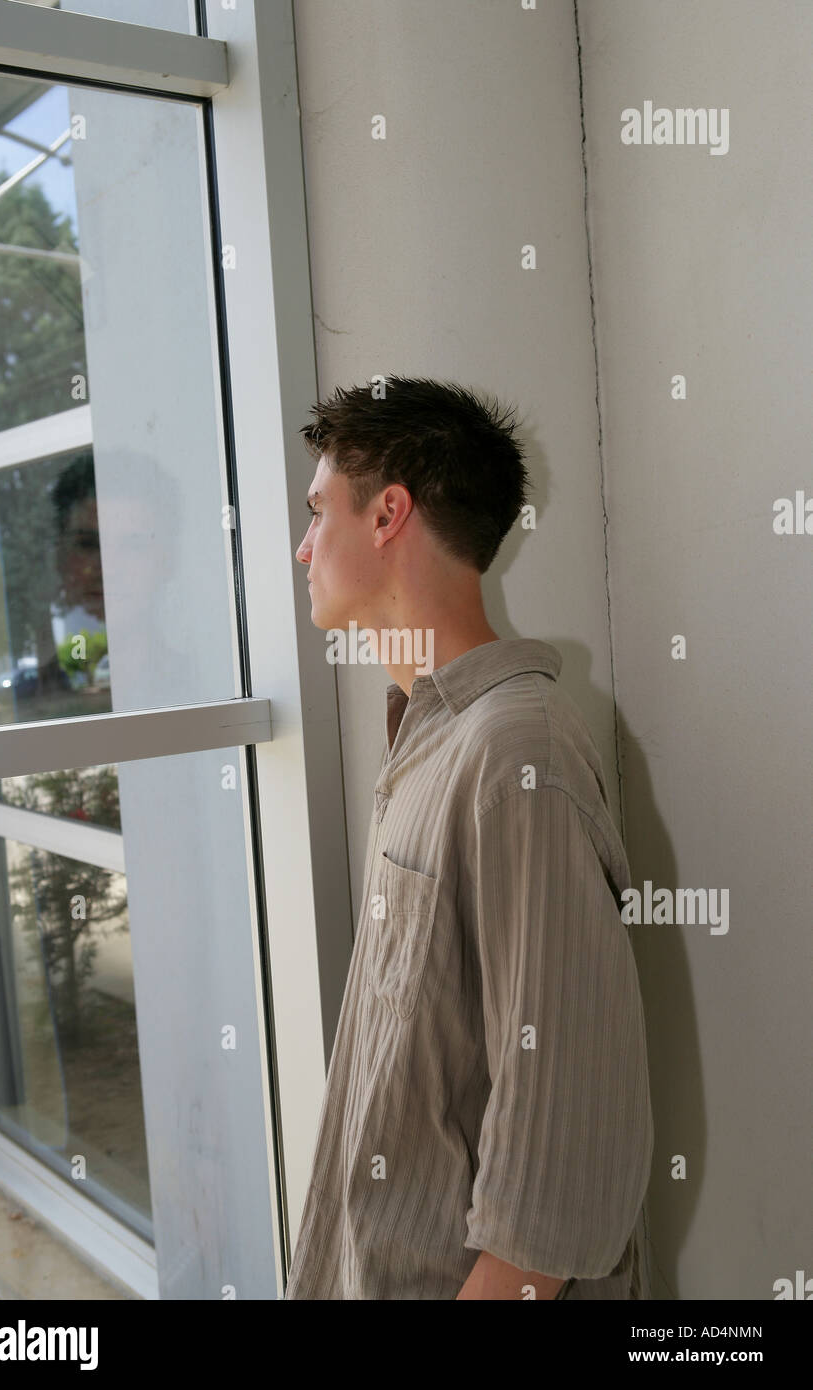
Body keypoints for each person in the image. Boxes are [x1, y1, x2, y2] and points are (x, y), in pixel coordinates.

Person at [286, 376, 653, 1301]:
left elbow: (555, 1187)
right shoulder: (431, 736)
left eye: (318, 508)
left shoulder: (513, 753)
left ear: (388, 516)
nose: (302, 546)